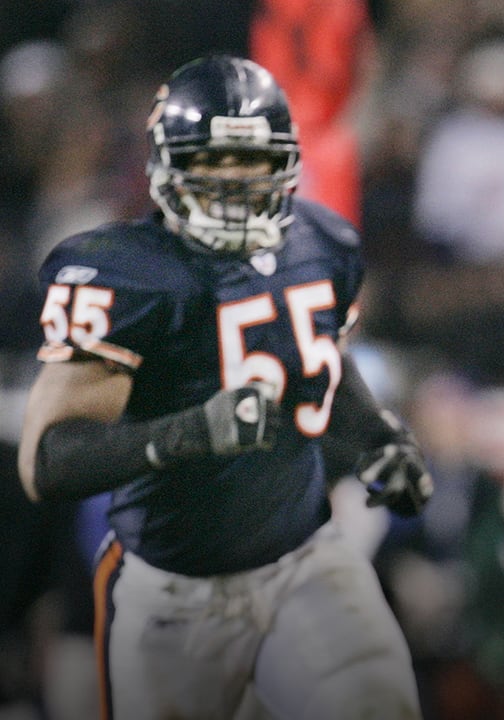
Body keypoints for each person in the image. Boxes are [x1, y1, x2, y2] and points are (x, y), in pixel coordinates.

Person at [16, 55, 431, 720]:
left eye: (255, 161)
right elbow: (48, 459)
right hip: (171, 592)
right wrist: (189, 433)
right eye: (213, 160)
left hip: (307, 564)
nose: (237, 181)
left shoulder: (322, 243)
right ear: (165, 166)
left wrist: (377, 440)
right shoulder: (127, 273)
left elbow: (322, 358)